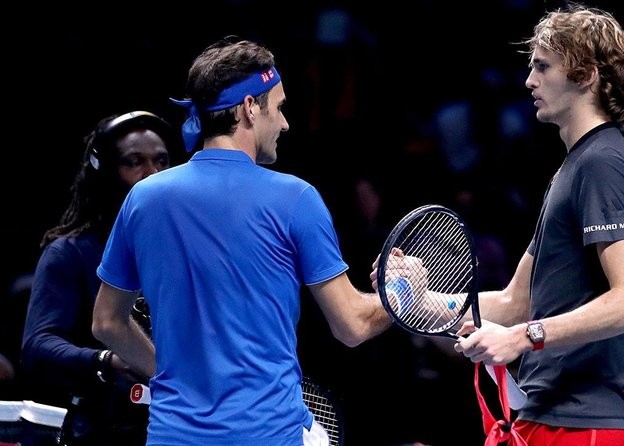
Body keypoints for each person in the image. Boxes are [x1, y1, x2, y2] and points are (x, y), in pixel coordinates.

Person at [90, 35, 394, 446]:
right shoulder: (295, 198)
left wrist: (169, 373)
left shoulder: (143, 199)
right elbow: (353, 325)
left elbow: (107, 322)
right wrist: (401, 296)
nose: (285, 123)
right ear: (251, 108)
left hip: (171, 436)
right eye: (280, 106)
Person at [446, 4, 624, 445]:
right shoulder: (573, 168)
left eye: (542, 66)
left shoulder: (603, 162)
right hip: (548, 416)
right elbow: (515, 301)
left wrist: (523, 337)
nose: (529, 81)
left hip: (585, 424)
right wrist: (422, 301)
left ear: (586, 75)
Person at [20, 111, 180, 446]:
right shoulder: (70, 253)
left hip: (183, 426)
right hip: (101, 430)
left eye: (161, 161)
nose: (152, 174)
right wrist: (105, 361)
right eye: (134, 162)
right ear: (106, 173)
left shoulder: (186, 251)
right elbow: (38, 346)